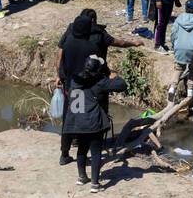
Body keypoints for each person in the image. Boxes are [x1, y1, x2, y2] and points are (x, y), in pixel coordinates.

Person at [55, 9, 142, 165]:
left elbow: (60, 60)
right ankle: (94, 149)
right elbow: (100, 67)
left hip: (73, 87)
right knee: (97, 118)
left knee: (73, 119)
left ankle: (64, 154)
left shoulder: (68, 42)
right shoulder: (91, 47)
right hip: (92, 89)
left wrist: (61, 77)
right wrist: (110, 75)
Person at [62, 55, 126, 194]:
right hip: (92, 122)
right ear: (98, 70)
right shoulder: (100, 81)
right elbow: (122, 85)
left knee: (82, 149)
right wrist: (113, 75)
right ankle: (95, 184)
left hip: (76, 122)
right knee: (96, 152)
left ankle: (82, 177)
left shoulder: (74, 79)